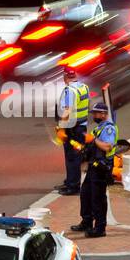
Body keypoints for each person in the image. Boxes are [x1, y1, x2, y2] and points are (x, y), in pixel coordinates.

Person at [70, 102, 118, 239]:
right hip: (93, 166)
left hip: (101, 168)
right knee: (85, 195)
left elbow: (107, 147)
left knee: (98, 198)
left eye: (96, 113)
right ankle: (87, 222)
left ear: (103, 114)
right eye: (94, 113)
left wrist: (94, 140)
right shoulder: (98, 128)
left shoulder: (108, 129)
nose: (94, 116)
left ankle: (99, 228)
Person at [53, 66, 90, 196]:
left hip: (72, 129)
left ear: (65, 77)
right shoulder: (84, 87)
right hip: (81, 127)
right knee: (75, 156)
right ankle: (70, 181)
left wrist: (61, 127)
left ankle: (73, 186)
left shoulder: (70, 91)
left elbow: (67, 111)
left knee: (72, 158)